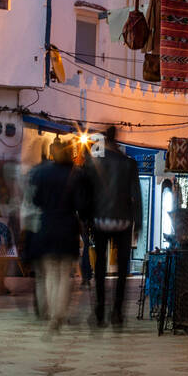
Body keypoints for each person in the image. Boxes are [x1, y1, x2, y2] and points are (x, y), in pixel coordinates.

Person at [23, 137, 86, 333]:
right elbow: (81, 205)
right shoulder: (76, 174)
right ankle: (59, 314)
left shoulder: (41, 173)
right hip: (67, 226)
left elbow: (35, 199)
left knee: (50, 273)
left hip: (47, 225)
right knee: (64, 274)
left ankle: (52, 315)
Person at [84, 126, 143, 327]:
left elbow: (89, 194)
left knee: (100, 266)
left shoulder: (94, 164)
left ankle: (100, 309)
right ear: (117, 139)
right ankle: (117, 312)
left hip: (101, 219)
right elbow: (136, 196)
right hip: (123, 220)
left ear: (104, 140)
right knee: (122, 269)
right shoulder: (128, 164)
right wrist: (139, 222)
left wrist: (86, 219)